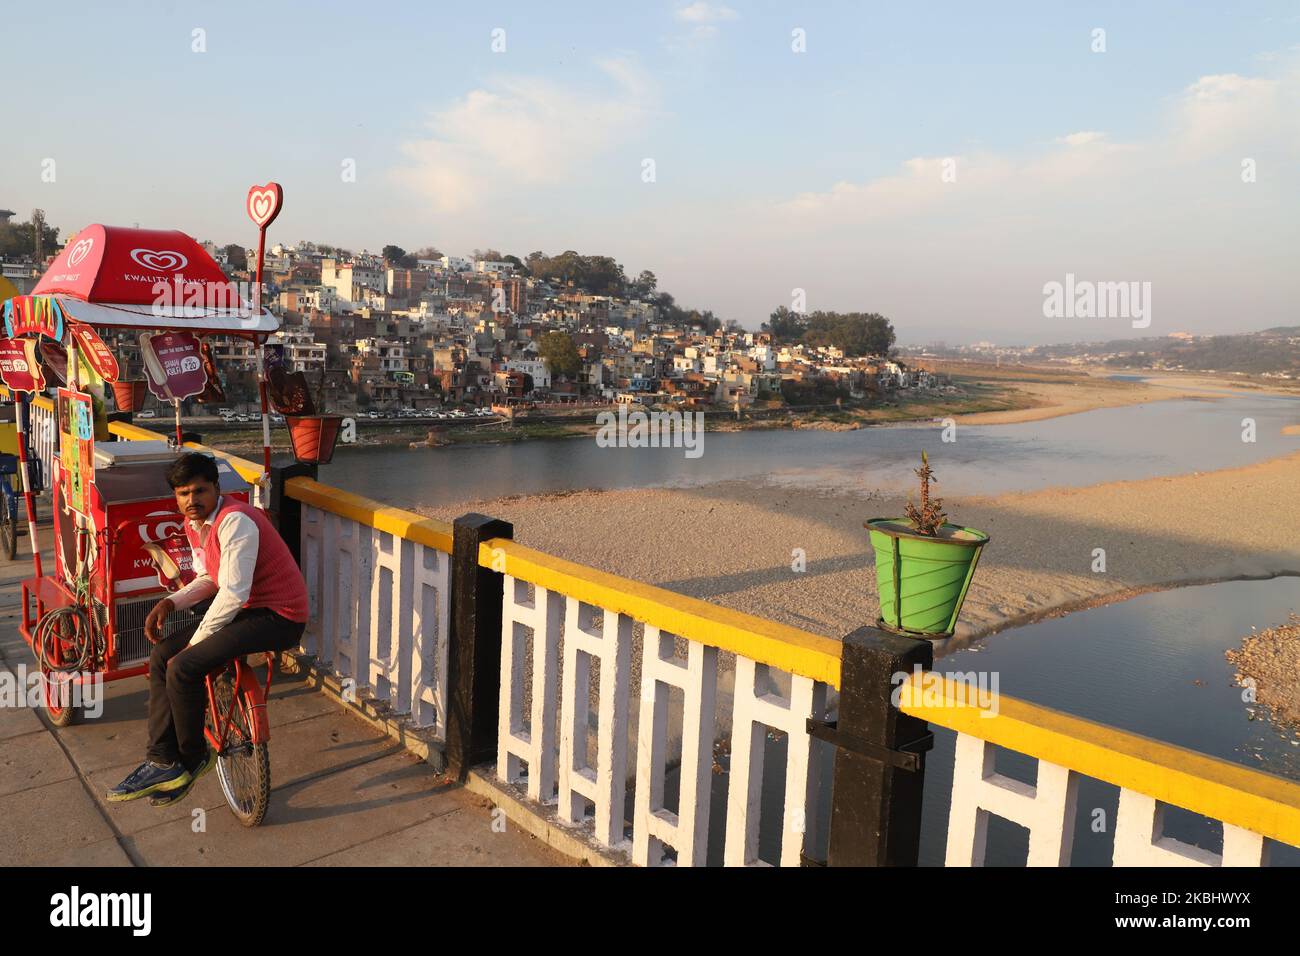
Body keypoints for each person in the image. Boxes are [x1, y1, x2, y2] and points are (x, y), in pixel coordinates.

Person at [106, 452, 308, 806]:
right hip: (249, 610)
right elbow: (209, 578)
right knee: (160, 656)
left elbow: (232, 593)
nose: (191, 500)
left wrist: (195, 646)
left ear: (216, 488)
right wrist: (171, 603)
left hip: (280, 616)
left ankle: (193, 757)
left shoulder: (235, 521)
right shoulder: (196, 524)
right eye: (183, 494)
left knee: (182, 666)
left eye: (199, 491)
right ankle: (162, 760)